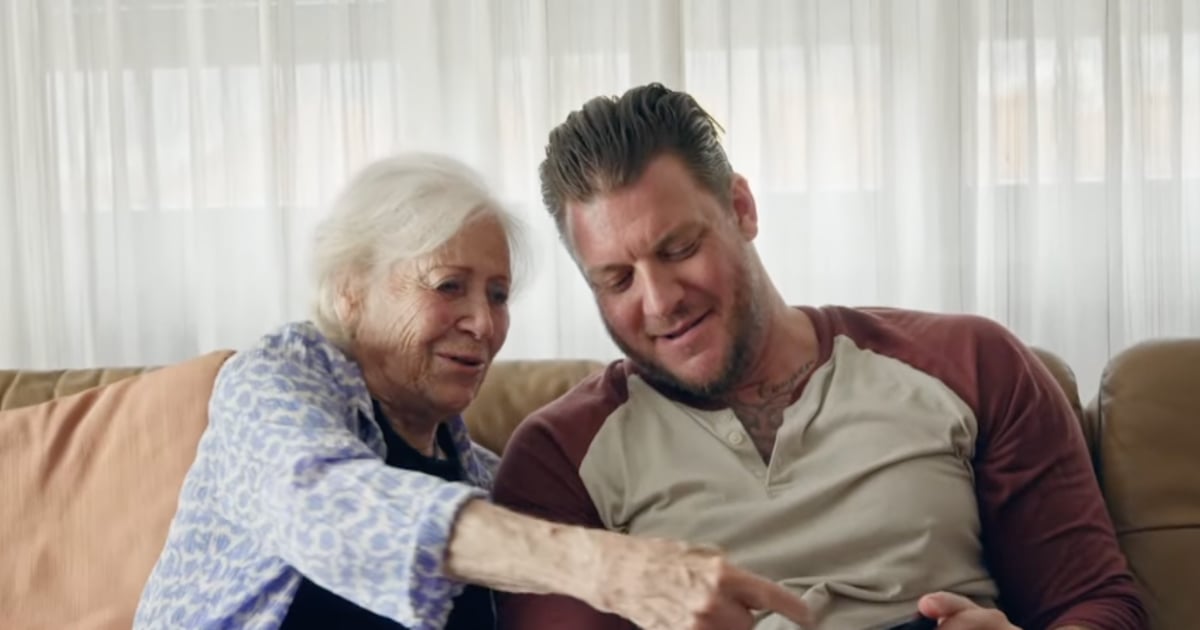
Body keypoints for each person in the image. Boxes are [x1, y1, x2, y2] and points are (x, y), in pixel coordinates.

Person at [492, 84, 1149, 630]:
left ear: (741, 208)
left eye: (679, 248)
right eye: (617, 280)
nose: (660, 302)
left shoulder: (972, 364)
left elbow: (1099, 605)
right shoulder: (558, 459)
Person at [133, 153, 811, 630]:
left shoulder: (488, 480)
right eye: (448, 286)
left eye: (498, 294)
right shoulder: (273, 382)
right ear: (350, 289)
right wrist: (602, 566)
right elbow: (323, 502)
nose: (484, 324)